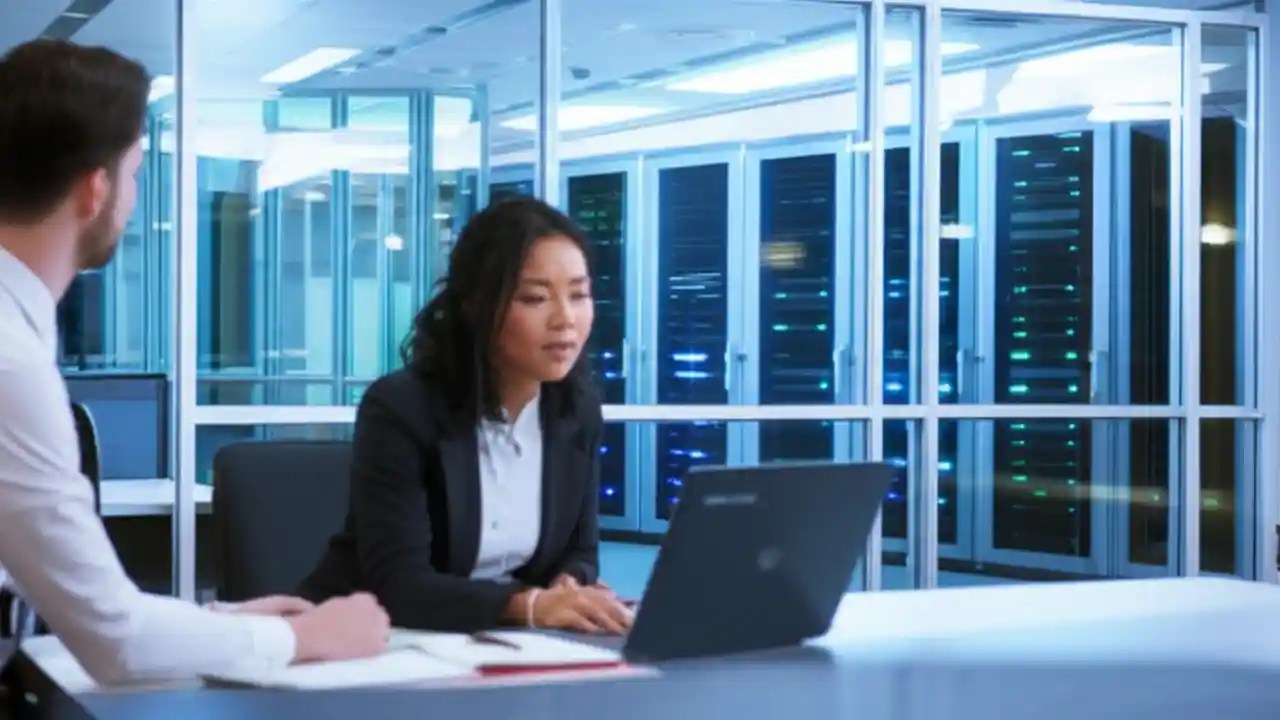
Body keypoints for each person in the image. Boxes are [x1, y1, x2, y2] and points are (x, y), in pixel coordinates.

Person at [0, 39, 390, 686]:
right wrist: (303, 636)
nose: (134, 197)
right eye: (135, 176)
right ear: (96, 188)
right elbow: (115, 641)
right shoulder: (10, 362)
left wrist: (226, 628)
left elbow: (79, 608)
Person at [298, 197, 633, 635]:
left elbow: (581, 550)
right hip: (368, 643)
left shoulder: (575, 412)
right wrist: (529, 605)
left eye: (579, 294)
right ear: (476, 306)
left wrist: (570, 585)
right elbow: (399, 586)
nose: (565, 319)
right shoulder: (402, 409)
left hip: (497, 646)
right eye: (535, 297)